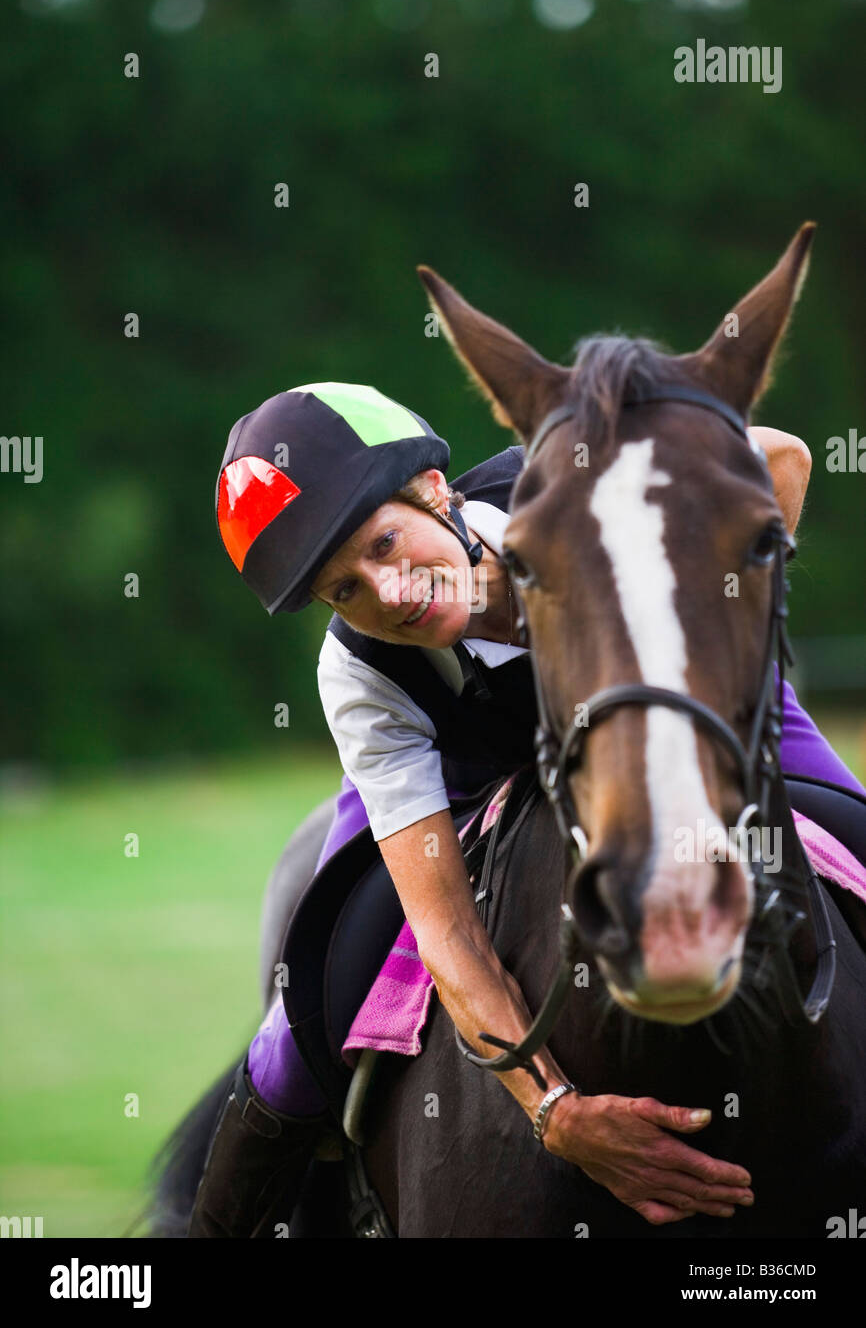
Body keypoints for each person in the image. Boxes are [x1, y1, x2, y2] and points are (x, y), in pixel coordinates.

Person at [189, 381, 863, 1237]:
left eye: (384, 543)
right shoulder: (359, 672)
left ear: (434, 492)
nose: (385, 594)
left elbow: (785, 462)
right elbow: (448, 938)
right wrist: (557, 1113)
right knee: (294, 1037)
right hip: (466, 774)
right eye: (343, 590)